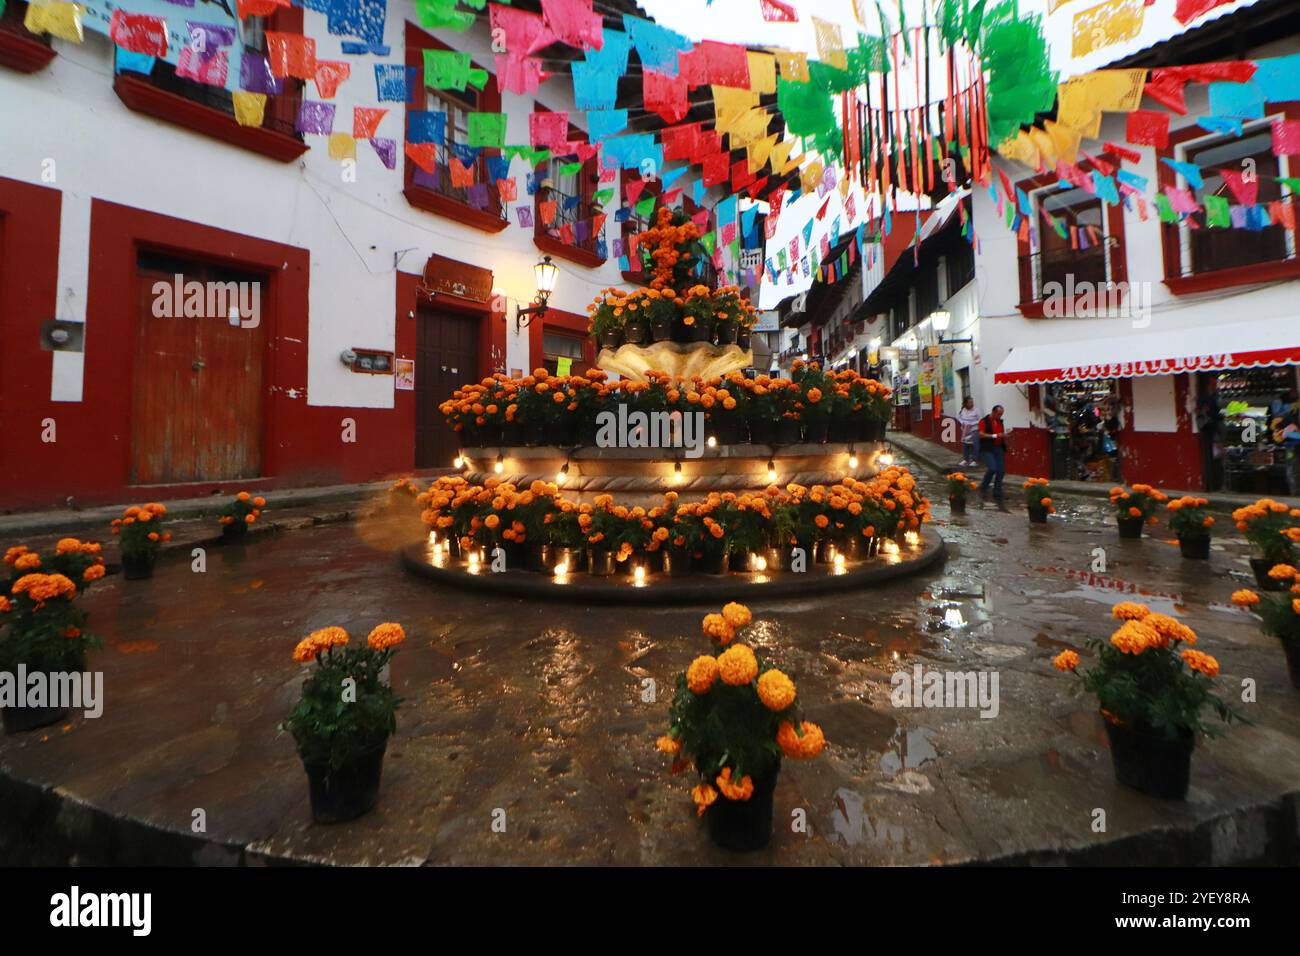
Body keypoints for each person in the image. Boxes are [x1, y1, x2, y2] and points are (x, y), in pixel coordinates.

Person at [979, 405, 1008, 507]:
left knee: (1001, 470)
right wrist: (995, 435)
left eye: (1001, 414)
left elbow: (1000, 433)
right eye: (999, 414)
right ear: (993, 412)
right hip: (987, 448)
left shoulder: (1000, 421)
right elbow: (981, 434)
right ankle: (984, 485)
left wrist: (1003, 435)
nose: (1000, 416)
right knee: (992, 468)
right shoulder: (984, 421)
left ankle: (997, 492)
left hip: (999, 447)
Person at [957, 397, 981, 467]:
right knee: (965, 445)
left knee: (975, 444)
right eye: (970, 402)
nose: (971, 404)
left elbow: (980, 419)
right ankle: (965, 460)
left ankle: (974, 460)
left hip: (974, 429)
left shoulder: (976, 410)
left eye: (972, 402)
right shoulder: (963, 410)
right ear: (966, 403)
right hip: (965, 430)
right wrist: (963, 423)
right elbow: (958, 417)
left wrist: (972, 424)